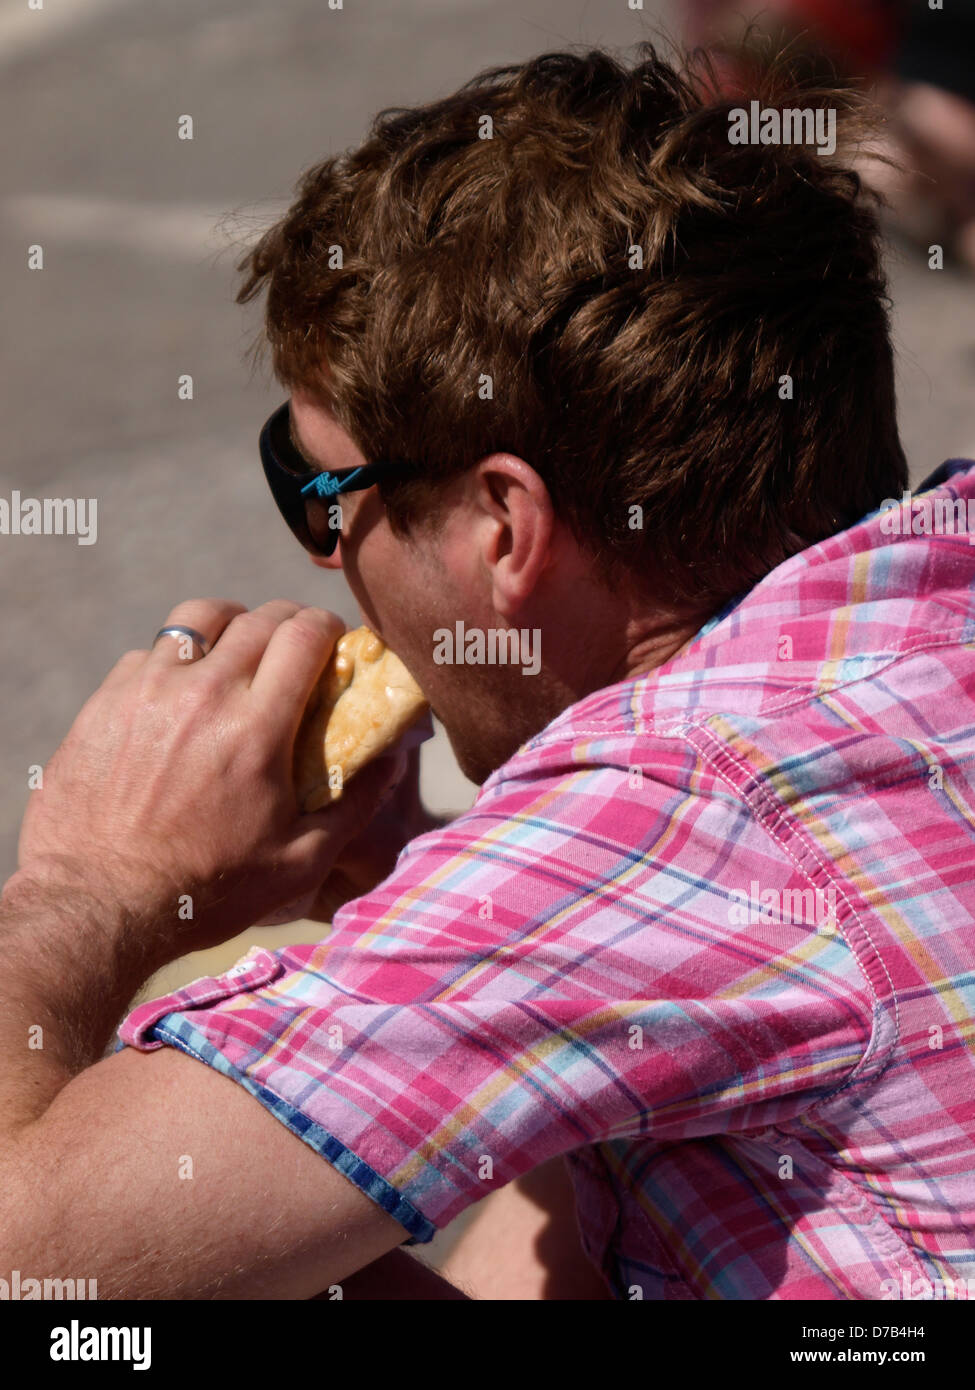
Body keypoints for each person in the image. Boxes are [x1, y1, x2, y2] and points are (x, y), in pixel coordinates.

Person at [2, 42, 973, 1302]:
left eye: (322, 491)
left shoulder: (658, 824)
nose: (322, 550)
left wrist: (88, 884)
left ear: (504, 529)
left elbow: (32, 1274)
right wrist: (432, 904)